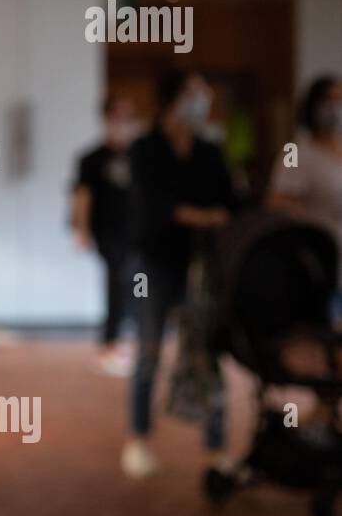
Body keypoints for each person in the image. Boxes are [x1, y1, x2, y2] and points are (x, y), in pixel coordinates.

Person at [123, 70, 237, 479]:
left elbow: (229, 202)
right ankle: (138, 438)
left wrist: (200, 216)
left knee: (207, 353)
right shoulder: (145, 148)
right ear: (171, 99)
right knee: (149, 353)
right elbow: (152, 205)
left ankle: (216, 447)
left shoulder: (209, 151)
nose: (201, 101)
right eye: (193, 93)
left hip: (200, 265)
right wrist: (196, 214)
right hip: (153, 263)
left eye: (204, 94)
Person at [71, 95, 142, 376]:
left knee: (132, 284)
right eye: (118, 118)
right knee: (117, 281)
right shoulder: (93, 159)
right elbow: (82, 195)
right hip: (109, 232)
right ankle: (112, 340)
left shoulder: (140, 156)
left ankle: (123, 339)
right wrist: (81, 228)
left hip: (137, 232)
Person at [267, 75, 342, 314]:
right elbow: (276, 201)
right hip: (322, 261)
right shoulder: (296, 151)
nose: (335, 107)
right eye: (328, 100)